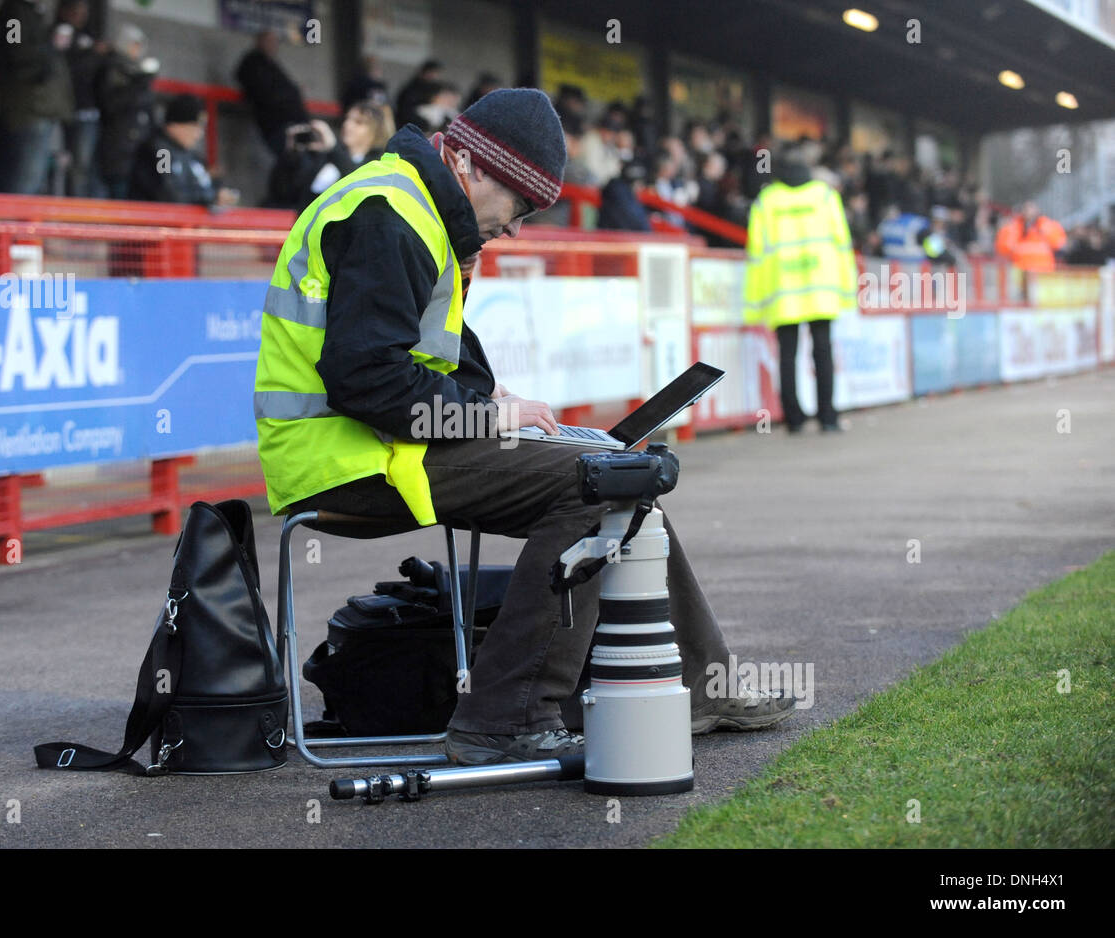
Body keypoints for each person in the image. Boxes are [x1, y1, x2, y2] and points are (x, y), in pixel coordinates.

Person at [254, 88, 794, 766]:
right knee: (597, 484)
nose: (514, 228)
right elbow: (367, 382)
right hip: (345, 460)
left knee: (619, 472)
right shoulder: (390, 214)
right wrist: (488, 415)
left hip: (382, 445)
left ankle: (696, 687)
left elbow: (409, 359)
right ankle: (505, 718)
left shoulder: (413, 209)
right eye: (517, 205)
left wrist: (490, 397)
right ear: (468, 164)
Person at [743, 145, 856, 434]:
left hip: (783, 292)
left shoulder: (766, 201)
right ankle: (828, 418)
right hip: (822, 288)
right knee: (823, 353)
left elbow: (755, 253)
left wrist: (754, 303)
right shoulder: (826, 196)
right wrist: (847, 290)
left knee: (787, 355)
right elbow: (842, 244)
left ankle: (794, 419)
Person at [0, 0, 74, 194]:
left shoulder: (31, 14)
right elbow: (16, 53)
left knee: (31, 179)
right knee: (24, 182)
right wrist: (50, 52)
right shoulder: (14, 15)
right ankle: (11, 223)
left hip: (37, 108)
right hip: (29, 109)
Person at [263, 101, 393, 212]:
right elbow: (286, 190)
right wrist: (291, 156)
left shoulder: (379, 163)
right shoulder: (327, 157)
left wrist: (333, 148)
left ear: (376, 132)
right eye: (347, 119)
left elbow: (357, 183)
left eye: (358, 122)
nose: (347, 125)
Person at [128, 94, 237, 206]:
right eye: (194, 126)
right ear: (175, 124)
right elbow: (168, 192)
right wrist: (210, 197)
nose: (199, 134)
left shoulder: (191, 156)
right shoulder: (162, 153)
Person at [95, 23, 157, 199]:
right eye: (133, 44)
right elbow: (112, 104)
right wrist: (139, 84)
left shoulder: (137, 73)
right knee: (119, 198)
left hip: (136, 152)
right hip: (118, 150)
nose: (137, 49)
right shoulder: (112, 69)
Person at [56, 0, 107, 197]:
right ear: (65, 11)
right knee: (76, 165)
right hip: (70, 110)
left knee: (88, 166)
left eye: (83, 11)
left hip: (92, 111)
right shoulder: (61, 34)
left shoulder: (90, 36)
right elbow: (66, 67)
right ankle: (73, 209)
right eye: (76, 11)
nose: (81, 15)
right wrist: (93, 54)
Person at [234, 29, 309, 157]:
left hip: (293, 123)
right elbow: (266, 93)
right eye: (270, 41)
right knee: (293, 162)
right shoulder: (253, 64)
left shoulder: (272, 64)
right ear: (260, 42)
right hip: (278, 125)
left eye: (275, 41)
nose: (273, 45)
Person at [994, 200, 1066, 272]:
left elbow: (1059, 243)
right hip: (1021, 272)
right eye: (1027, 209)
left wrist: (1043, 229)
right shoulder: (1013, 228)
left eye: (1032, 209)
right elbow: (1002, 249)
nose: (1029, 212)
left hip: (1044, 271)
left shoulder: (1047, 225)